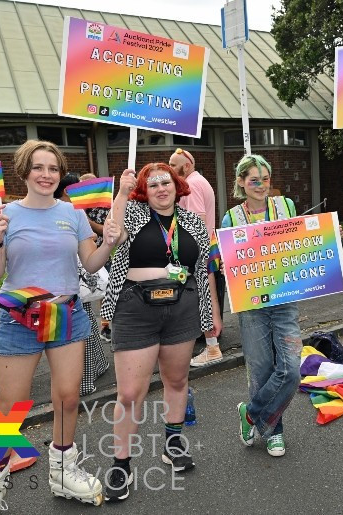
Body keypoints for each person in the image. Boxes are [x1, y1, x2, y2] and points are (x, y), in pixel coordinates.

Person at [0, 140, 117, 514]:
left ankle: (63, 472)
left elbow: (90, 263)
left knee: (68, 397)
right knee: (11, 409)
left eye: (53, 169)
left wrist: (110, 241)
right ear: (25, 171)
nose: (46, 175)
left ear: (60, 174)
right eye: (38, 168)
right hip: (19, 320)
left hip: (67, 316)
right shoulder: (5, 215)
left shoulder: (72, 213)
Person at [101, 163, 222, 502]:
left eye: (165, 182)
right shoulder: (134, 214)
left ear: (177, 185)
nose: (161, 189)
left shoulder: (193, 222)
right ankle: (121, 464)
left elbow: (204, 269)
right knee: (129, 394)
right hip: (136, 309)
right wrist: (122, 194)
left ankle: (172, 442)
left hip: (182, 308)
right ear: (144, 190)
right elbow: (113, 234)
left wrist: (211, 310)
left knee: (177, 380)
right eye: (152, 184)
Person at [225, 154, 302, 457]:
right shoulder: (231, 218)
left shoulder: (286, 207)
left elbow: (300, 242)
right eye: (253, 180)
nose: (260, 185)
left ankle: (250, 412)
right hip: (252, 304)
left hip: (285, 299)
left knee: (291, 370)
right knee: (262, 369)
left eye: (265, 179)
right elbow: (225, 260)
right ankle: (273, 432)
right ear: (241, 183)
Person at [54, 174, 110, 396]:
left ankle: (86, 379)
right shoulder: (67, 211)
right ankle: (95, 368)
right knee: (85, 326)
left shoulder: (74, 212)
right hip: (70, 280)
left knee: (81, 329)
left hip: (76, 280)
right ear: (68, 190)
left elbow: (91, 246)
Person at [168, 148, 224, 367]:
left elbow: (196, 219)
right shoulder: (198, 181)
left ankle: (212, 348)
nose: (170, 168)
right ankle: (208, 344)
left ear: (187, 166)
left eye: (173, 164)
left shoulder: (191, 185)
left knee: (202, 298)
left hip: (197, 251)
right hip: (205, 247)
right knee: (203, 297)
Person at [80, 172, 113, 343]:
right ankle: (85, 329)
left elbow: (104, 231)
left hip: (101, 256)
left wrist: (88, 223)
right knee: (82, 293)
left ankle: (105, 327)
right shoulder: (76, 206)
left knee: (105, 292)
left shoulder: (104, 206)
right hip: (79, 259)